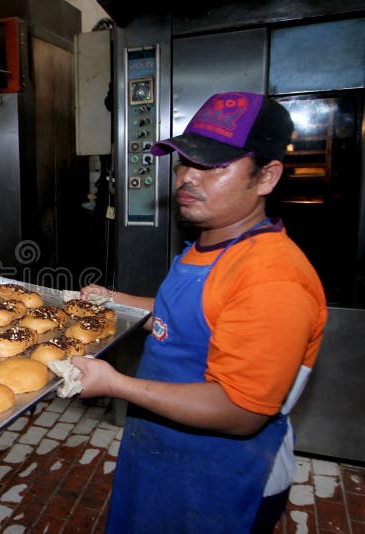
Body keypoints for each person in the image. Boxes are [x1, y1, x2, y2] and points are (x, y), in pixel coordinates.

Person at [73, 92, 327, 533]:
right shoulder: (209, 246)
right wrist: (112, 299)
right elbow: (186, 319)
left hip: (221, 478)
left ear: (266, 177)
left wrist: (115, 384)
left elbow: (239, 410)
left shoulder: (272, 277)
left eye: (213, 166)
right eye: (185, 161)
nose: (188, 178)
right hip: (164, 456)